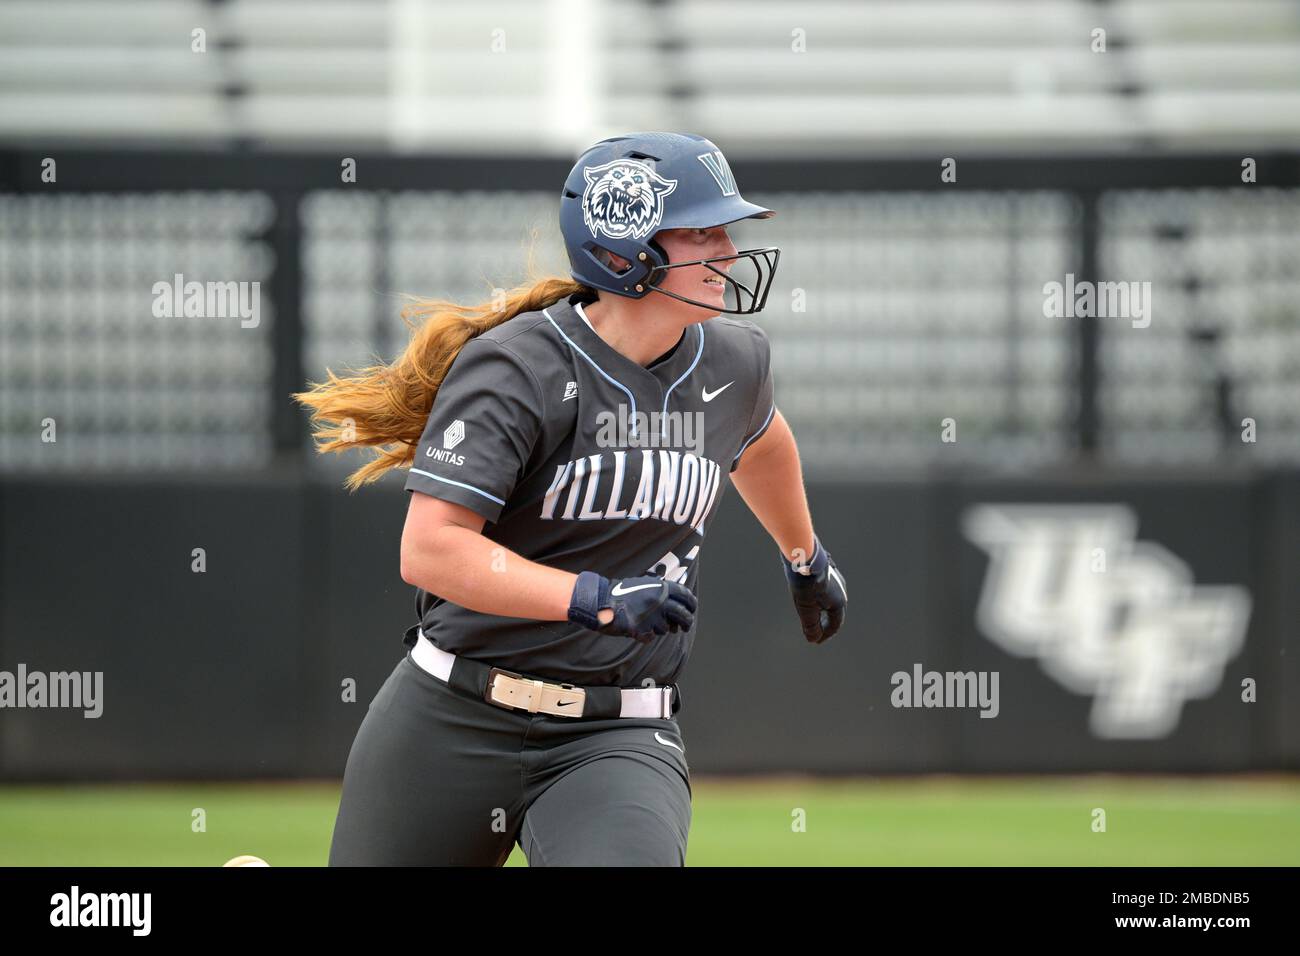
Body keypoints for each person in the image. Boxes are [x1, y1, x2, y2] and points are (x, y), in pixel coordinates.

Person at [294, 131, 847, 866]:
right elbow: (430, 549)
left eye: (726, 230)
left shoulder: (735, 362)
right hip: (452, 714)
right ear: (624, 252)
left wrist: (803, 556)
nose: (729, 251)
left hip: (614, 733)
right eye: (702, 231)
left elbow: (764, 442)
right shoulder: (518, 368)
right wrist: (595, 598)